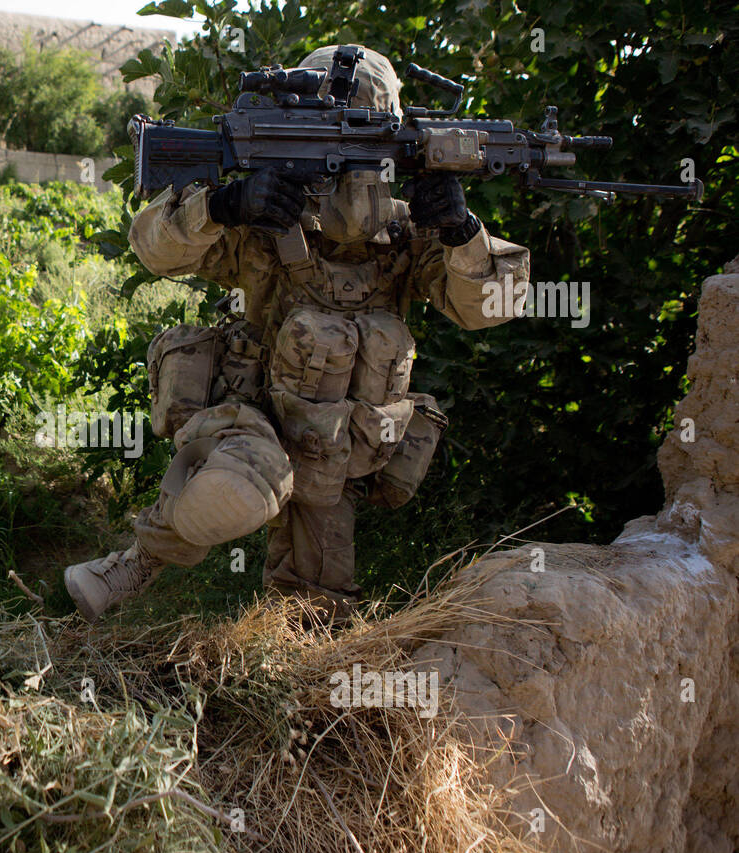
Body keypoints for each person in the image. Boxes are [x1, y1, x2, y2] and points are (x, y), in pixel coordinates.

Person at [63, 44, 531, 624]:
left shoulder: (411, 231)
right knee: (235, 483)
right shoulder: (269, 214)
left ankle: (287, 673)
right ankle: (137, 563)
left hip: (335, 442)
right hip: (251, 416)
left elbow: (495, 304)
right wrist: (225, 204)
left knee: (315, 608)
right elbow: (152, 247)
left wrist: (463, 232)